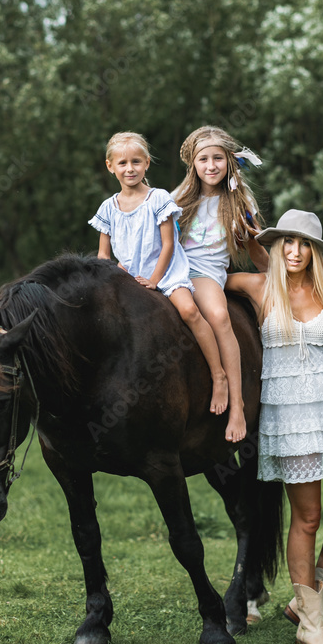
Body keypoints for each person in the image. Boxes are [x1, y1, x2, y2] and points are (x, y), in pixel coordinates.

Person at [226, 210, 323, 644]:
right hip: (290, 416)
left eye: (303, 243)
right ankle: (311, 624)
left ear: (315, 251)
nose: (294, 251)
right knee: (306, 518)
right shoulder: (257, 286)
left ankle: (308, 598)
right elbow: (205, 279)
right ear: (275, 246)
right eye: (286, 242)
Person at [89, 131, 231, 430]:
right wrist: (113, 275)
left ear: (147, 164)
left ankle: (218, 375)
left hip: (165, 272)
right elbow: (103, 255)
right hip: (127, 275)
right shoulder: (108, 208)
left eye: (136, 162)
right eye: (123, 163)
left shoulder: (159, 199)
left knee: (190, 311)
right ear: (110, 166)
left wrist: (155, 281)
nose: (130, 169)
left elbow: (168, 244)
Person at [174, 126, 269, 443]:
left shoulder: (239, 203)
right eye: (203, 159)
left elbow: (255, 249)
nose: (210, 165)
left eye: (217, 158)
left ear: (229, 161)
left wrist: (279, 275)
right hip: (176, 269)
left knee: (219, 315)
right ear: (194, 165)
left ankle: (237, 404)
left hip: (205, 272)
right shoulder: (179, 200)